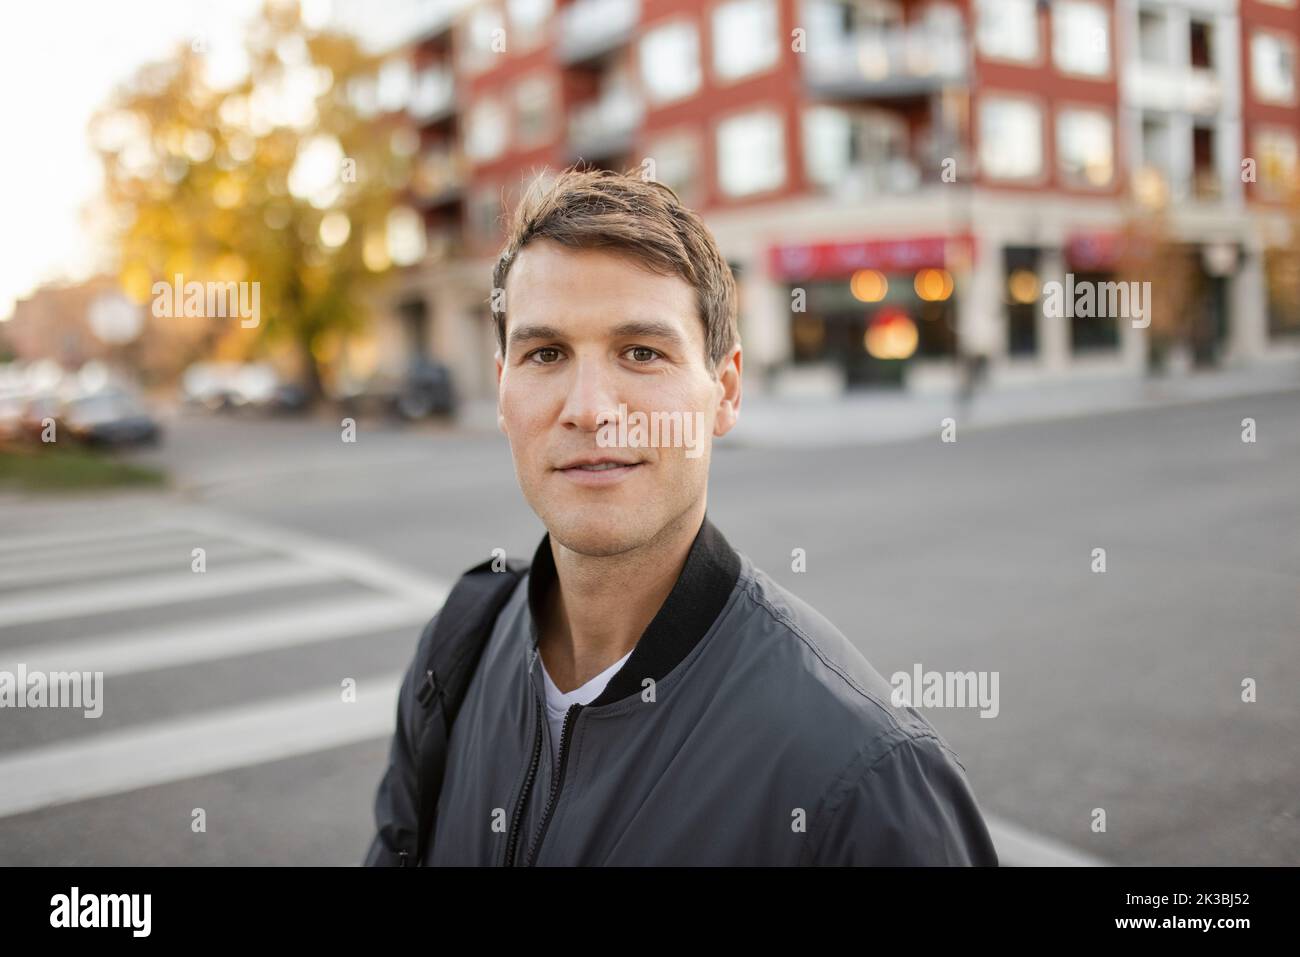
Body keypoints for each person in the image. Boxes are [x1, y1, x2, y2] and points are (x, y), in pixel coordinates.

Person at [364, 167, 998, 866]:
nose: (589, 408)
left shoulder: (866, 776)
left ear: (723, 392)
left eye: (642, 352)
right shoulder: (456, 648)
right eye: (546, 353)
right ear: (502, 388)